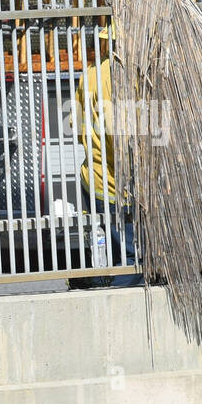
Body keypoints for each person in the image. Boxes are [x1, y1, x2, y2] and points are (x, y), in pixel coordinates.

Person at [70, 24, 143, 290]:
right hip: (119, 186)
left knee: (110, 252)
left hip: (93, 179)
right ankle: (119, 307)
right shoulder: (126, 78)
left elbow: (77, 127)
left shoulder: (89, 74)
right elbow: (121, 139)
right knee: (133, 258)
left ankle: (107, 286)